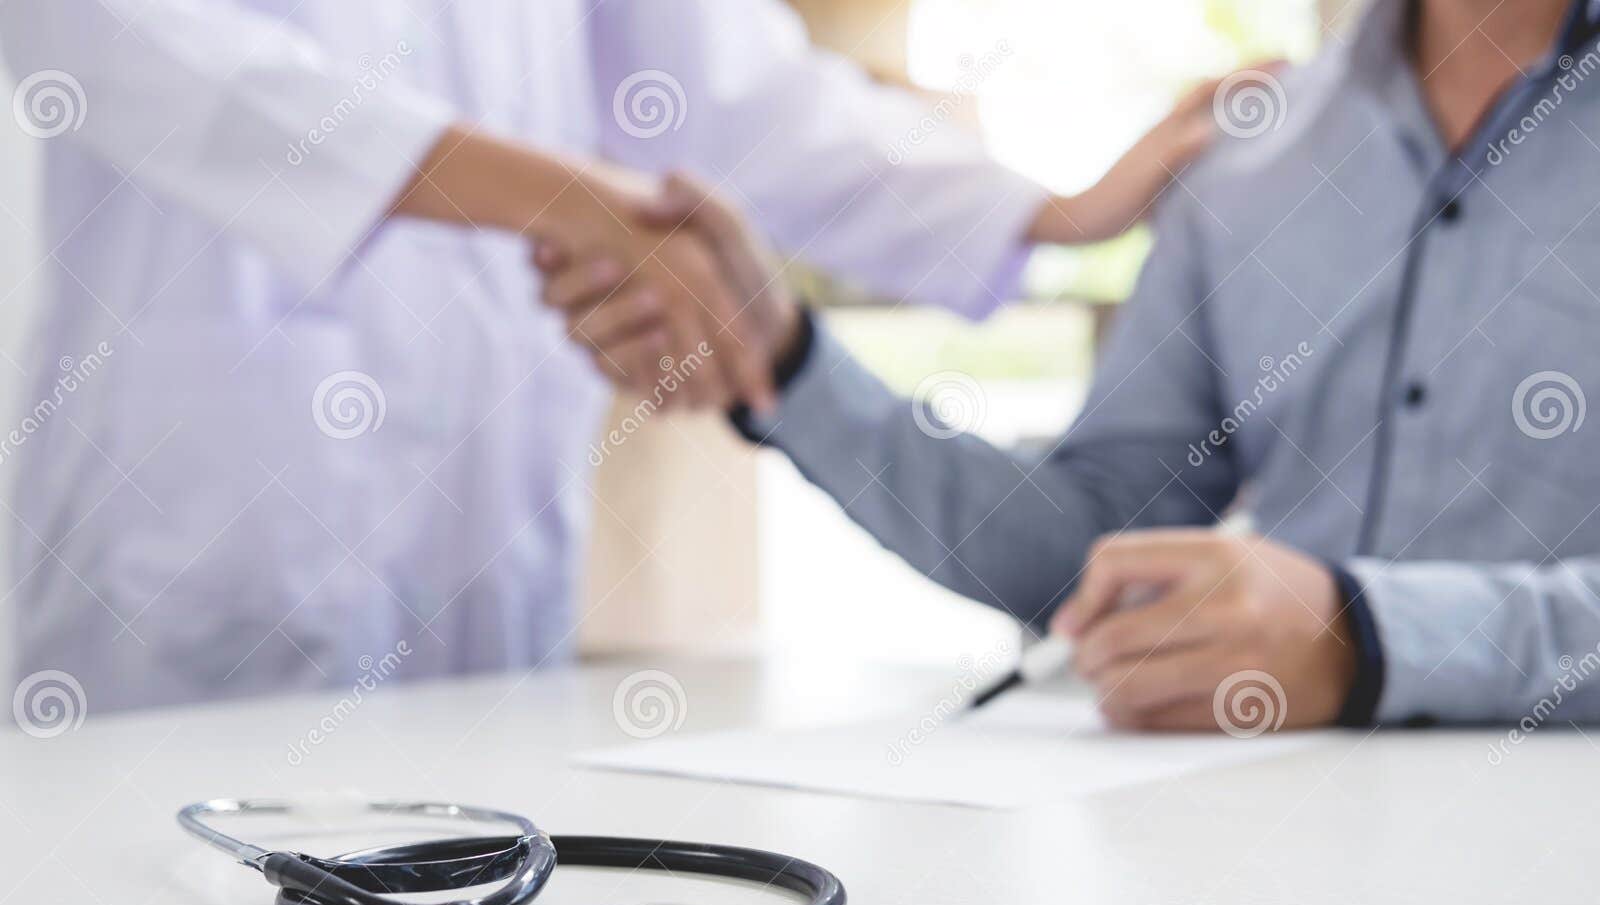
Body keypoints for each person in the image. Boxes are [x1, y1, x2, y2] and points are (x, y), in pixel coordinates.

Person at [0, 0, 1222, 712]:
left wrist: (1049, 210)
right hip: (202, 471)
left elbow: (738, 87)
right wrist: (571, 198)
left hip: (487, 477)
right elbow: (130, 47)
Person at [543, 0, 1600, 730]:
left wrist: (1369, 640)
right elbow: (1082, 548)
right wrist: (784, 356)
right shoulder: (1249, 156)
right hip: (1281, 863)